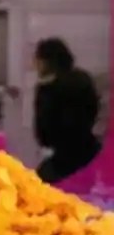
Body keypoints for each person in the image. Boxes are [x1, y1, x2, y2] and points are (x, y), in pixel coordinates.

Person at [31, 38, 102, 185]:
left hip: (66, 159)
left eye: (37, 60)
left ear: (46, 61)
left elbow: (45, 134)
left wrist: (43, 91)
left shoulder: (49, 89)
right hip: (89, 150)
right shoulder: (83, 79)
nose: (34, 65)